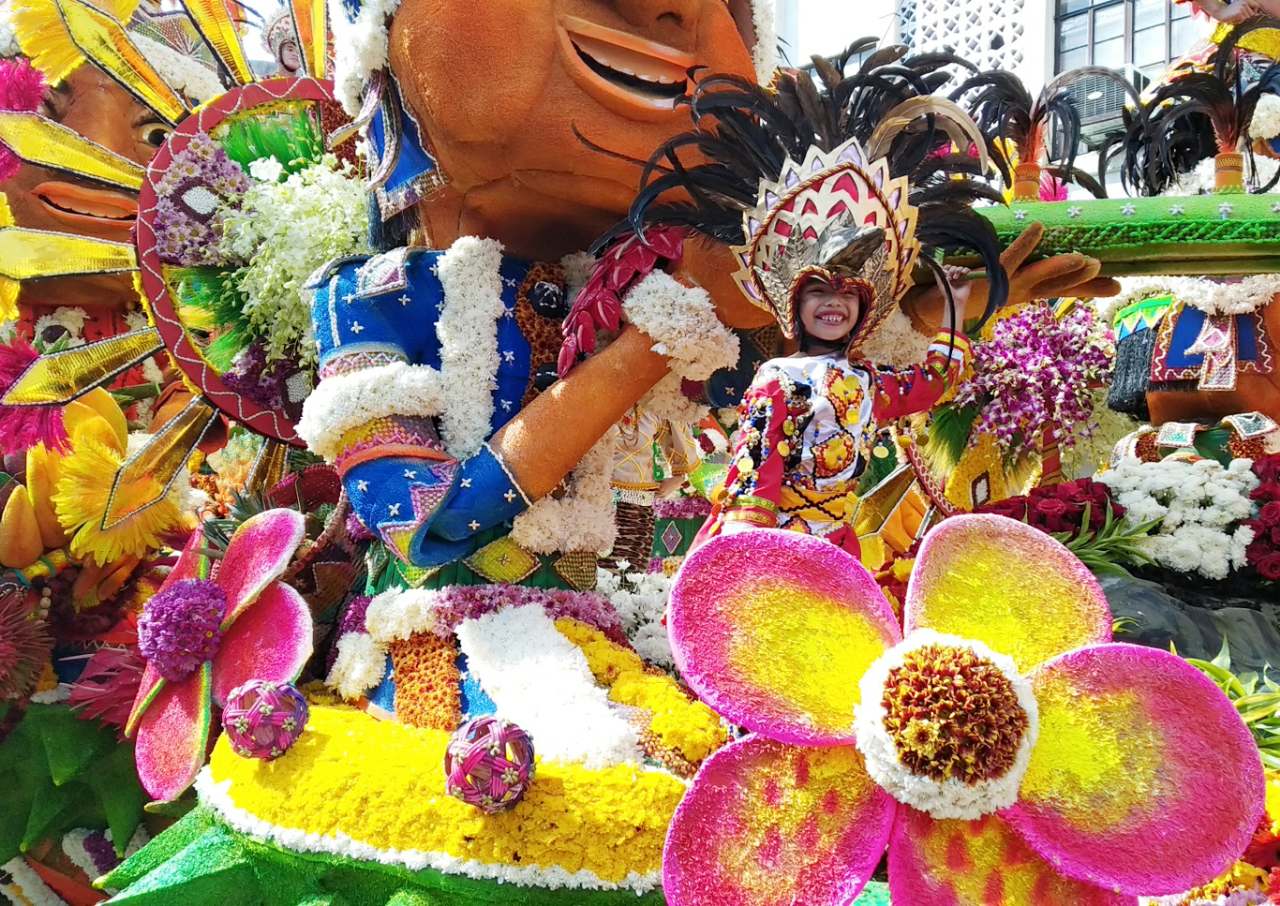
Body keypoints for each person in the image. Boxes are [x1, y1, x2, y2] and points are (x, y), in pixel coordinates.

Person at [697, 257, 974, 555]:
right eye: (819, 291)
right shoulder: (776, 376)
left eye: (848, 293)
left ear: (863, 308)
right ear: (795, 305)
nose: (834, 303)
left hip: (836, 547)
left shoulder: (868, 381)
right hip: (777, 544)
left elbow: (933, 382)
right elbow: (755, 472)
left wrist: (955, 305)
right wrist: (749, 552)